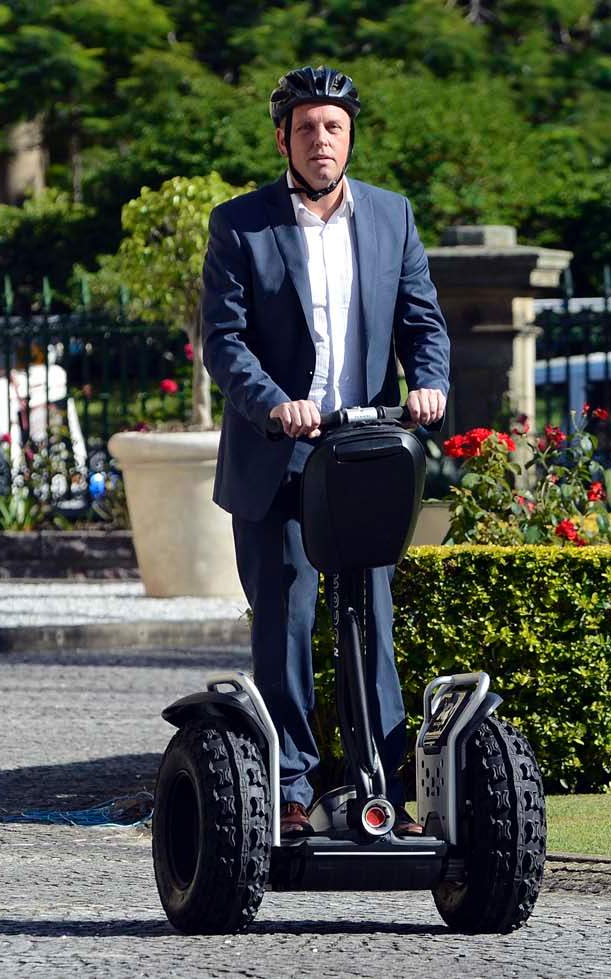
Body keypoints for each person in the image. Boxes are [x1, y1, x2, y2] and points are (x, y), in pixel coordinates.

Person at [199, 65, 450, 837]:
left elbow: (423, 322)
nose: (321, 140)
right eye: (306, 127)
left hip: (363, 454)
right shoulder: (240, 224)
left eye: (333, 126)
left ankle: (384, 789)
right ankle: (290, 790)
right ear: (284, 139)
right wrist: (274, 404)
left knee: (371, 622)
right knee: (287, 621)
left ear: (351, 136)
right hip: (278, 457)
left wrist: (430, 382)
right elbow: (225, 342)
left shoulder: (391, 216)